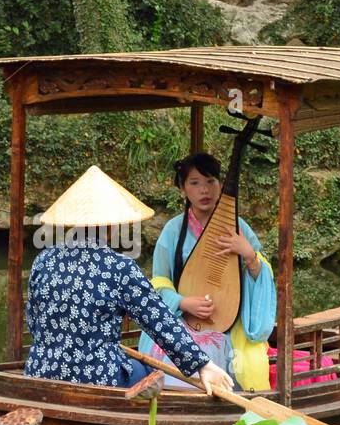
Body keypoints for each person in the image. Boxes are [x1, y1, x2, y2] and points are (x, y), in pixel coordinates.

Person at [23, 165, 235, 396]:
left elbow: (33, 322)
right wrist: (202, 364)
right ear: (113, 225)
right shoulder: (118, 267)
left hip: (40, 371)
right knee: (146, 374)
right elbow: (159, 321)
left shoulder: (42, 260)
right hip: (98, 376)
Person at [137, 152, 276, 391]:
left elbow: (263, 279)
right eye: (195, 183)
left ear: (220, 185)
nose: (204, 190)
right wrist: (183, 302)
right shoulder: (173, 231)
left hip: (228, 322)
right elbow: (158, 283)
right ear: (183, 189)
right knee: (180, 352)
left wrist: (249, 255)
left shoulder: (238, 226)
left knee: (241, 357)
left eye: (211, 181)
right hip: (180, 321)